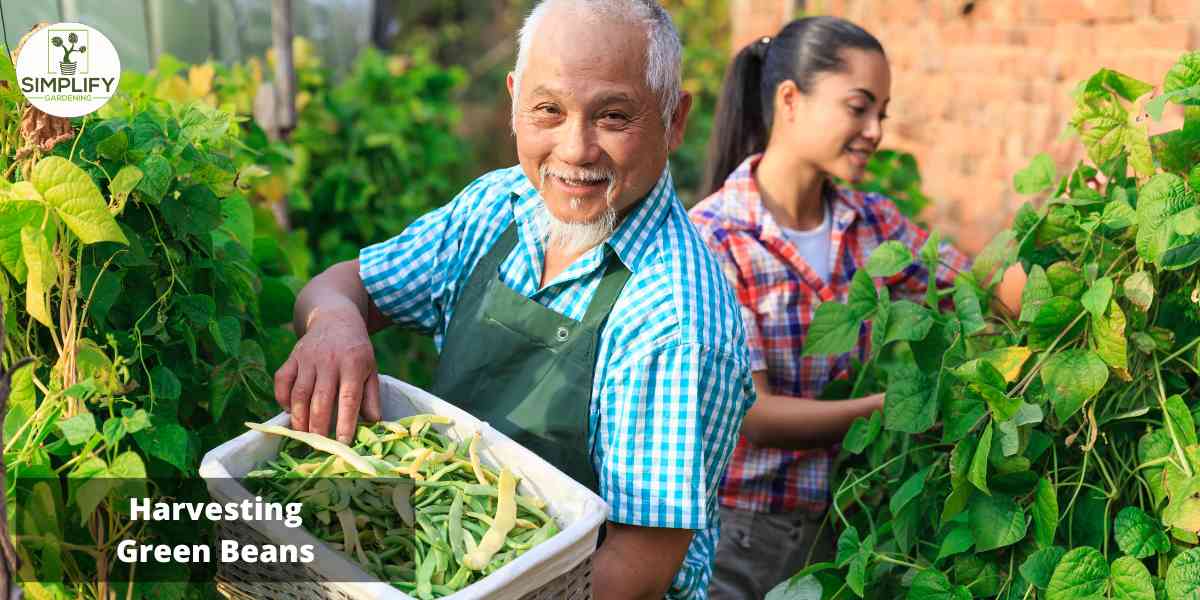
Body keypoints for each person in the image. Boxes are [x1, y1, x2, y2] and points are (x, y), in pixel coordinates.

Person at [272, 1, 755, 598]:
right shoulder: (499, 206)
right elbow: (346, 285)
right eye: (548, 110)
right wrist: (333, 325)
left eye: (613, 116)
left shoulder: (675, 317)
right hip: (452, 558)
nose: (575, 150)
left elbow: (636, 569)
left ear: (675, 120)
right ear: (514, 101)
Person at [688, 17, 1025, 599]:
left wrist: (1072, 239)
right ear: (790, 100)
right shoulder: (716, 236)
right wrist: (891, 407)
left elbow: (975, 283)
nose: (874, 131)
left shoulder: (871, 223)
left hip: (844, 529)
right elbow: (754, 415)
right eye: (858, 107)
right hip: (739, 537)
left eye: (882, 114)